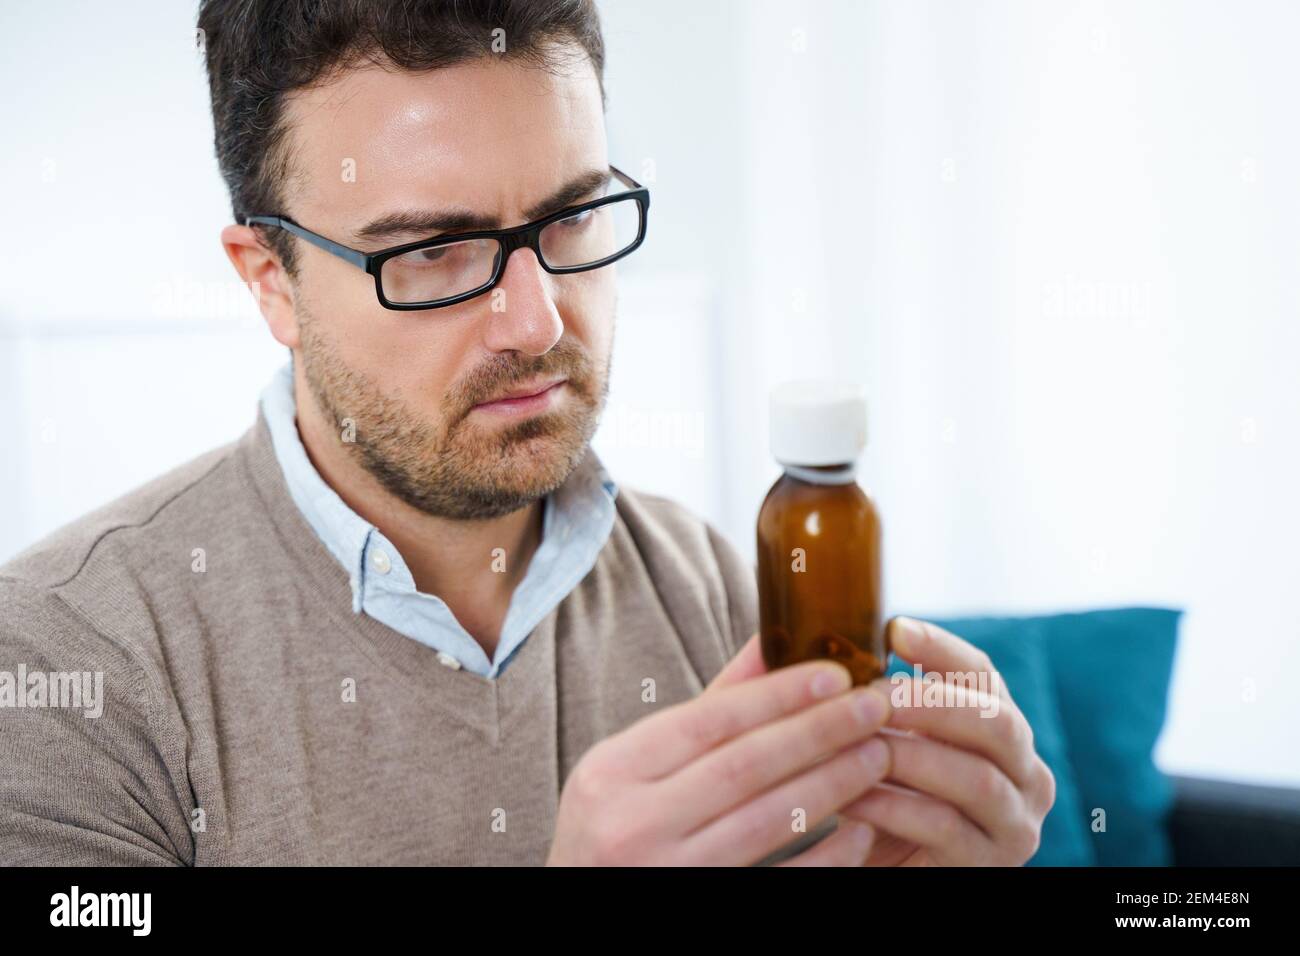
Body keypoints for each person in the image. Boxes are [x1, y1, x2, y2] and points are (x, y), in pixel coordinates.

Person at [0, 0, 1052, 866]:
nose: (536, 320)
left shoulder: (712, 589)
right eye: (435, 251)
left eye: (571, 219)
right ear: (272, 281)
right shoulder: (65, 664)